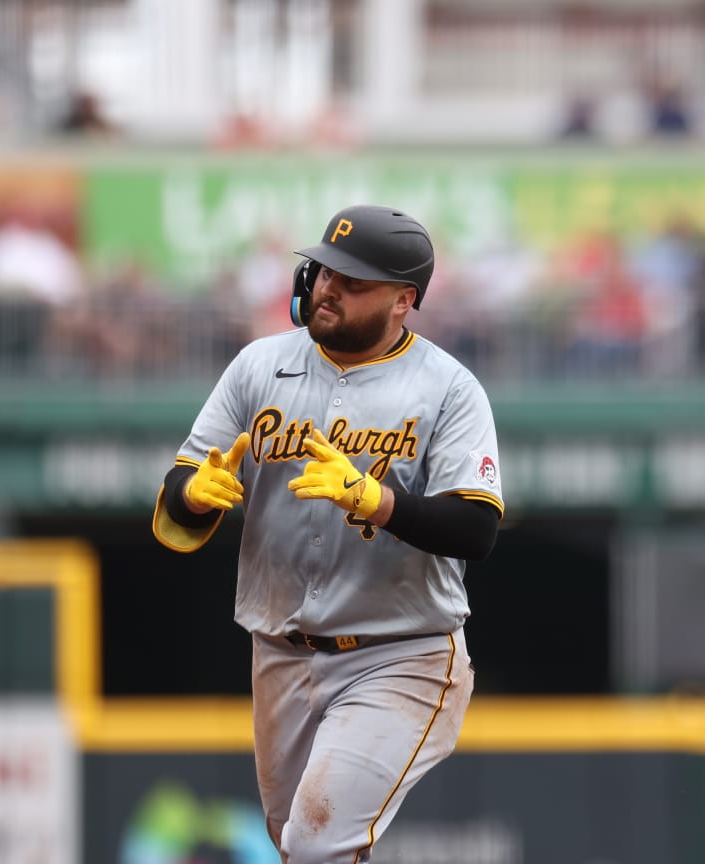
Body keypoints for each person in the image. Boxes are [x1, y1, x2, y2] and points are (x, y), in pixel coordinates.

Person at [151, 204, 504, 862]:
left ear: (404, 301)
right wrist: (194, 495)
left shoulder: (449, 388)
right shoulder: (258, 367)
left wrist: (379, 500)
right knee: (299, 848)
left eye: (355, 281)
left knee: (316, 844)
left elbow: (477, 526)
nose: (328, 288)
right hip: (279, 651)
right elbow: (176, 500)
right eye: (325, 271)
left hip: (402, 653)